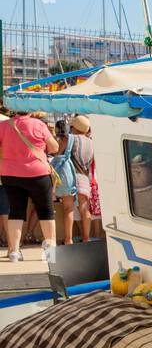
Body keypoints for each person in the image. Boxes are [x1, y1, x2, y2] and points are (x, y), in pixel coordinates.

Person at [0, 111, 59, 262]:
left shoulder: (4, 125)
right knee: (45, 210)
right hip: (38, 173)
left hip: (10, 174)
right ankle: (51, 253)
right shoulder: (38, 124)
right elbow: (54, 148)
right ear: (30, 110)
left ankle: (14, 251)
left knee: (16, 211)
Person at [68, 114, 99, 242]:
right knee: (84, 208)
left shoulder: (72, 139)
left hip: (72, 176)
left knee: (68, 209)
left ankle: (68, 239)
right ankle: (86, 238)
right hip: (85, 178)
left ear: (75, 128)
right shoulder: (91, 143)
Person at [49, 120, 79, 245]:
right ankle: (68, 239)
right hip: (67, 175)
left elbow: (54, 152)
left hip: (56, 176)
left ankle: (50, 239)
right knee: (68, 209)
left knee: (47, 208)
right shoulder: (73, 139)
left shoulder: (58, 140)